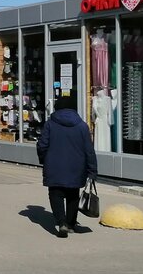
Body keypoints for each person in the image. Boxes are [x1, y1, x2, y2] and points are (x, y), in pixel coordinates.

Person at [36, 96, 98, 238]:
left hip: (54, 166)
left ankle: (61, 222)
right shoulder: (82, 126)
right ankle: (70, 223)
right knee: (73, 195)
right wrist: (92, 171)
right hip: (76, 168)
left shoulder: (50, 124)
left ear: (57, 108)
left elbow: (42, 145)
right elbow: (89, 150)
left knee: (55, 193)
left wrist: (44, 159)